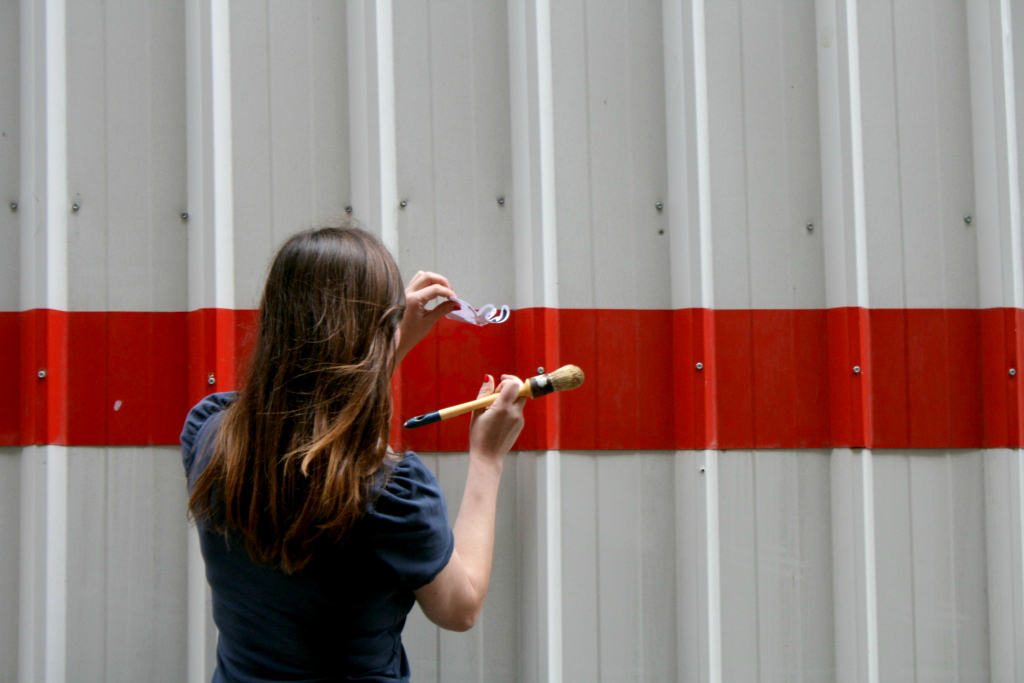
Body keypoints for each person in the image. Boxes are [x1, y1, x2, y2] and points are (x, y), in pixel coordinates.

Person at [181, 226, 525, 682]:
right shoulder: (390, 493)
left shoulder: (209, 434)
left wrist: (390, 342)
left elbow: (315, 427)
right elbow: (460, 608)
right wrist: (487, 459)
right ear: (375, 334)